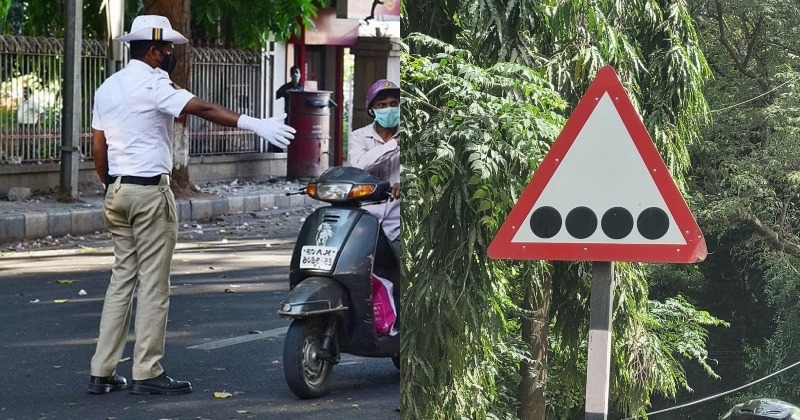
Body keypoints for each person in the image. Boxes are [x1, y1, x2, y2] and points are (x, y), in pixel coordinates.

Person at [87, 15, 295, 396]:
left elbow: (98, 146)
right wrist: (255, 123)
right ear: (152, 51)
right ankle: (147, 371)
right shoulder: (153, 83)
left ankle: (102, 370)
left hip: (116, 192)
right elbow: (202, 108)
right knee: (153, 285)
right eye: (167, 50)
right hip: (149, 194)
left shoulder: (108, 87)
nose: (171, 56)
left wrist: (110, 186)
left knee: (121, 281)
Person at [347, 79, 400, 262]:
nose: (389, 109)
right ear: (372, 110)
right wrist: (394, 144)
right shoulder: (359, 137)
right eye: (382, 105)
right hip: (365, 219)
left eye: (394, 104)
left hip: (398, 220)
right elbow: (360, 166)